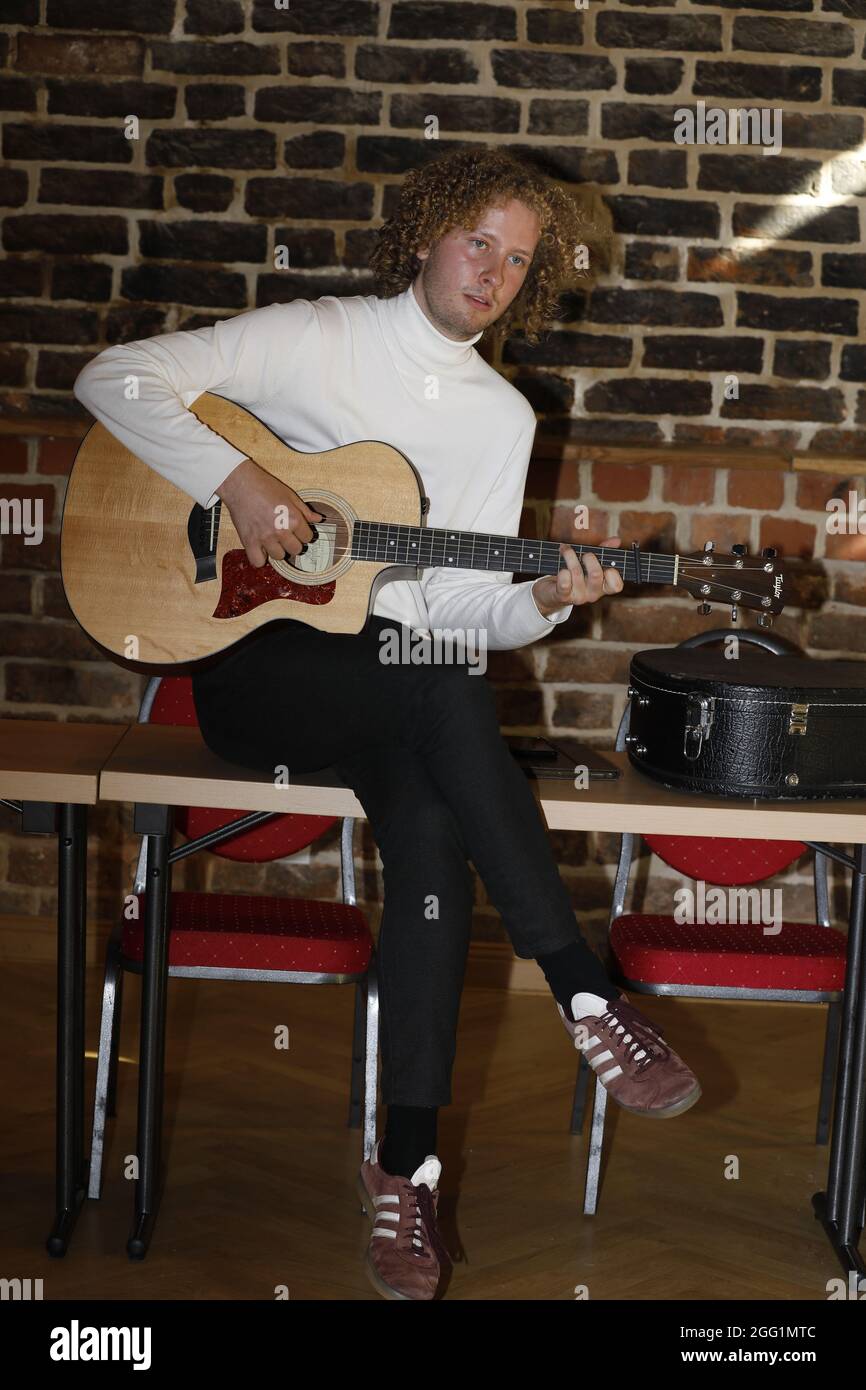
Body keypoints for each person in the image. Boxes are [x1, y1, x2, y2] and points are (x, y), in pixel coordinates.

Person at [73, 146, 700, 1302]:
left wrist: (542, 597)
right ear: (426, 232)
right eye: (480, 244)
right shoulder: (315, 336)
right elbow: (113, 379)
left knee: (428, 829)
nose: (494, 274)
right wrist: (240, 484)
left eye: (519, 262)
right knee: (437, 682)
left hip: (397, 697)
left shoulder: (500, 416)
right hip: (257, 674)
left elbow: (456, 604)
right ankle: (581, 989)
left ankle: (404, 1167)